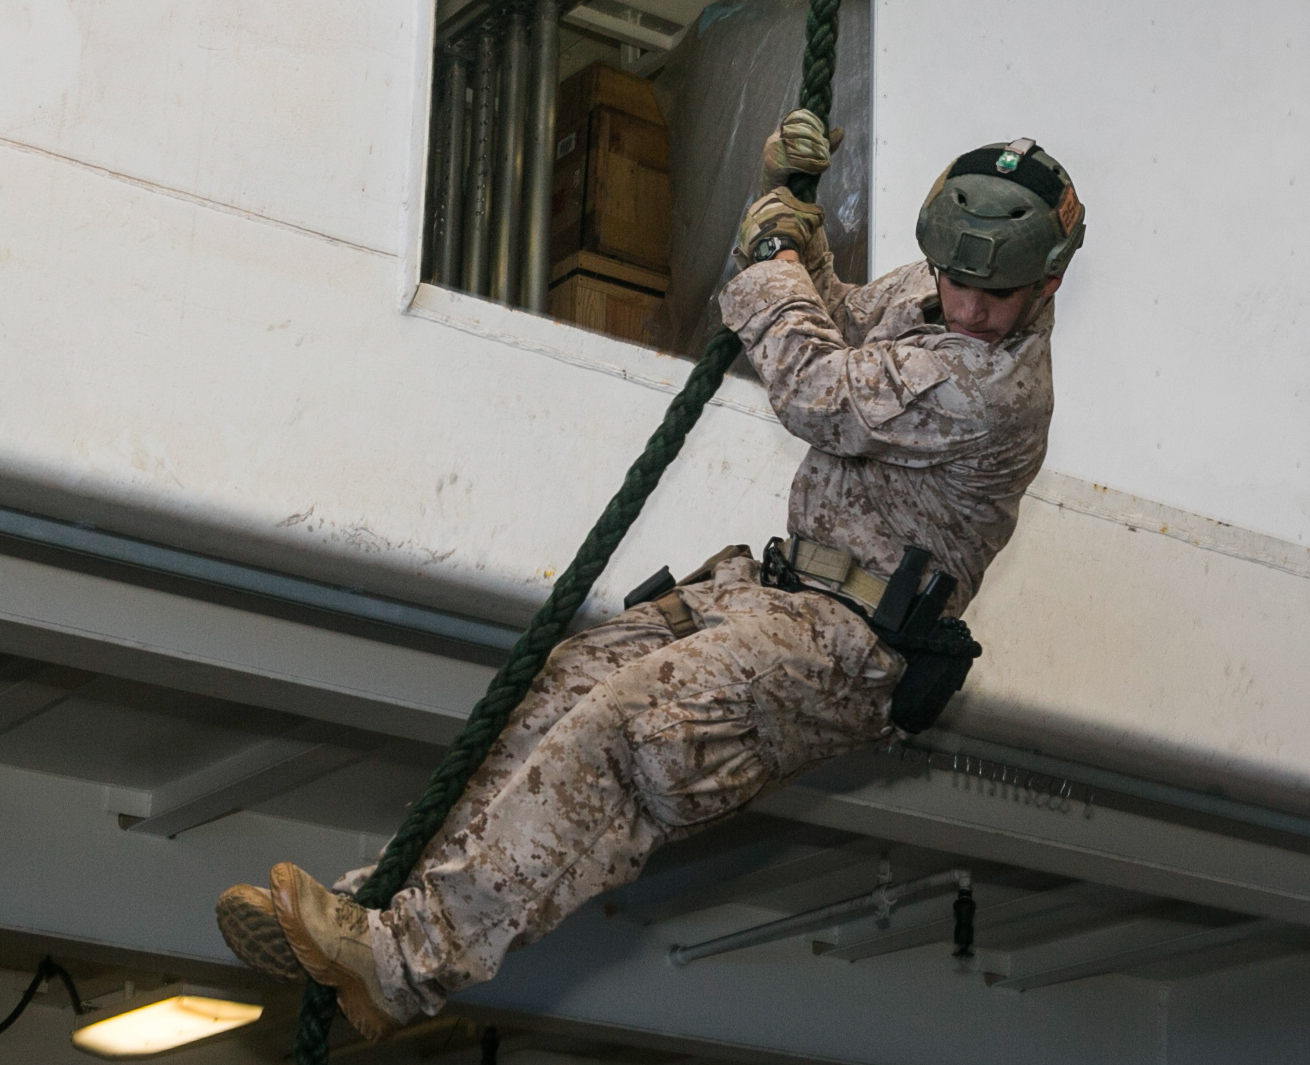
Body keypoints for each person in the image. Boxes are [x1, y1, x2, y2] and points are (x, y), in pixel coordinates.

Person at [215, 113, 1086, 1041]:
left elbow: (816, 390)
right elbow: (829, 319)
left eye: (992, 293)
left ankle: (401, 965)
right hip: (777, 593)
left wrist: (764, 261)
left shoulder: (995, 390)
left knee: (630, 720)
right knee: (564, 686)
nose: (964, 305)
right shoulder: (938, 285)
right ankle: (377, 908)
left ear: (1048, 280)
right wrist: (797, 222)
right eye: (953, 278)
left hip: (849, 645)